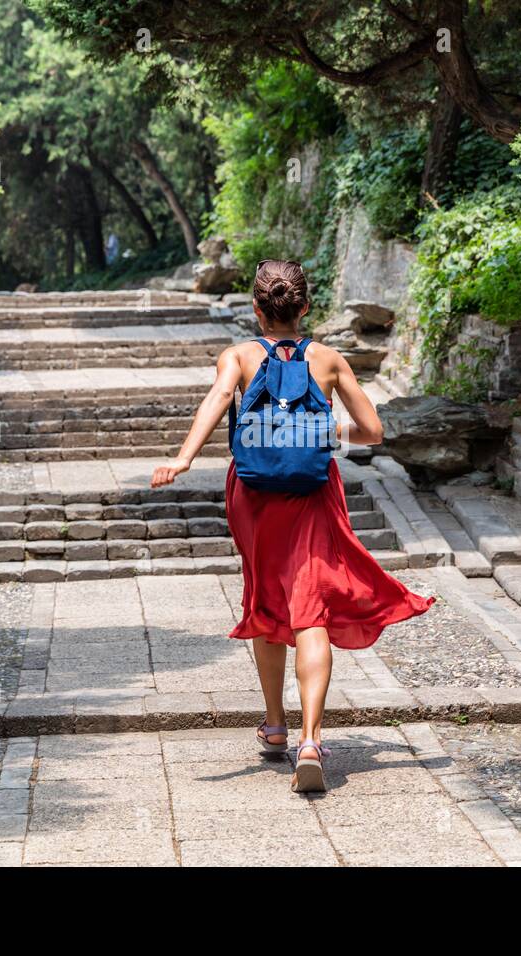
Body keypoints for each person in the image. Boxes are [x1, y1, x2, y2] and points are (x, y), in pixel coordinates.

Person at [151, 259, 433, 792]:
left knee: (264, 600)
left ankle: (275, 726)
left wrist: (184, 458)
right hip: (311, 493)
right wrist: (318, 435)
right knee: (311, 609)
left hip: (254, 498)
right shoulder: (328, 360)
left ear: (258, 310)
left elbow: (215, 402)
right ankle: (310, 739)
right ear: (304, 307)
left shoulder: (238, 355)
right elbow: (372, 432)